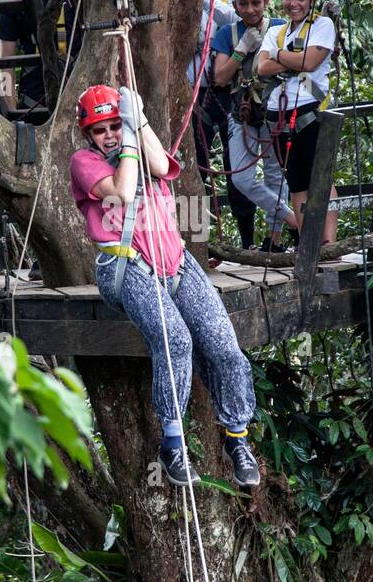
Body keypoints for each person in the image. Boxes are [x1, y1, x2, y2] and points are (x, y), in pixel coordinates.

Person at [70, 84, 260, 489]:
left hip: (175, 262)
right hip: (127, 266)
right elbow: (121, 192)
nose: (110, 135)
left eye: (113, 126)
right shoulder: (84, 163)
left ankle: (237, 438)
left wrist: (136, 119)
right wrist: (127, 139)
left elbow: (160, 164)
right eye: (101, 129)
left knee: (223, 341)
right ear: (89, 135)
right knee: (175, 340)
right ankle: (173, 444)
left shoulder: (134, 139)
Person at [210, 0, 299, 251]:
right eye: (244, 3)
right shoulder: (229, 33)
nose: (250, 9)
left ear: (266, 2)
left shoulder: (281, 29)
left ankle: (274, 240)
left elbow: (300, 63)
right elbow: (220, 78)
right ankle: (294, 220)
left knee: (276, 174)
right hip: (243, 114)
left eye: (256, 3)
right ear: (235, 5)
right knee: (241, 178)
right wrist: (241, 51)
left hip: (276, 111)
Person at [256, 0, 339, 246]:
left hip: (310, 112)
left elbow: (309, 62)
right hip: (279, 116)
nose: (294, 3)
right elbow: (262, 67)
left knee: (321, 180)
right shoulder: (277, 31)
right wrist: (286, 55)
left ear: (311, 0)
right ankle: (309, 244)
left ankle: (328, 245)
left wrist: (279, 55)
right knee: (297, 182)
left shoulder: (322, 25)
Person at [189, 0, 256, 249]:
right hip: (194, 91)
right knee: (193, 169)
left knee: (238, 168)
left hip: (230, 91)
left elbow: (234, 19)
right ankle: (195, 244)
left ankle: (247, 242)